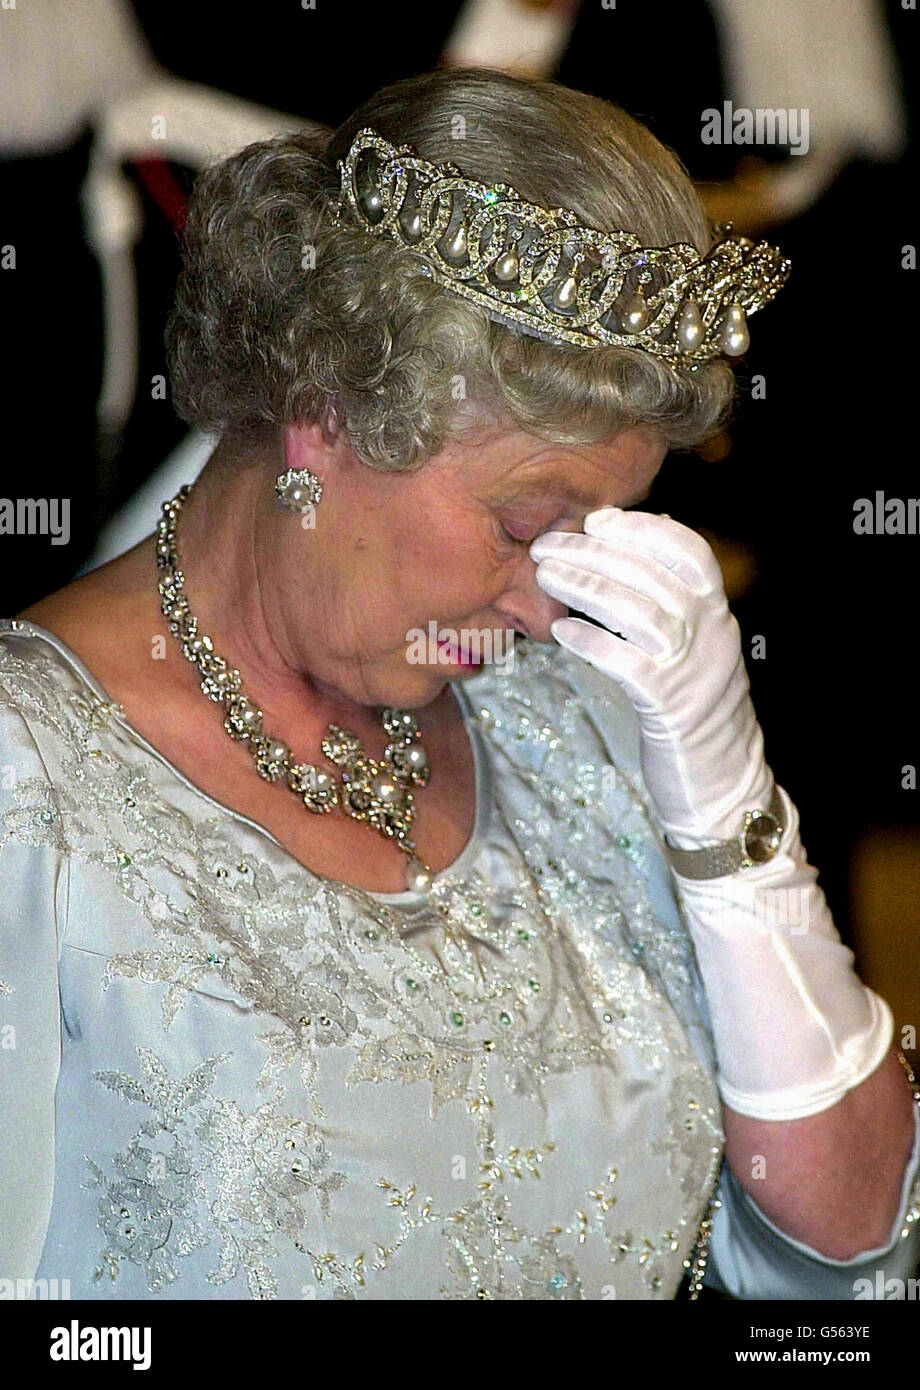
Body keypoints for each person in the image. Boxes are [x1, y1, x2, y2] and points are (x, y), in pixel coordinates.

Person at [1, 67, 917, 1301]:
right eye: (525, 524)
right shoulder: (26, 784)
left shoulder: (585, 715)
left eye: (594, 540)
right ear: (321, 406)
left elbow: (843, 1251)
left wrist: (731, 822)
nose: (549, 606)